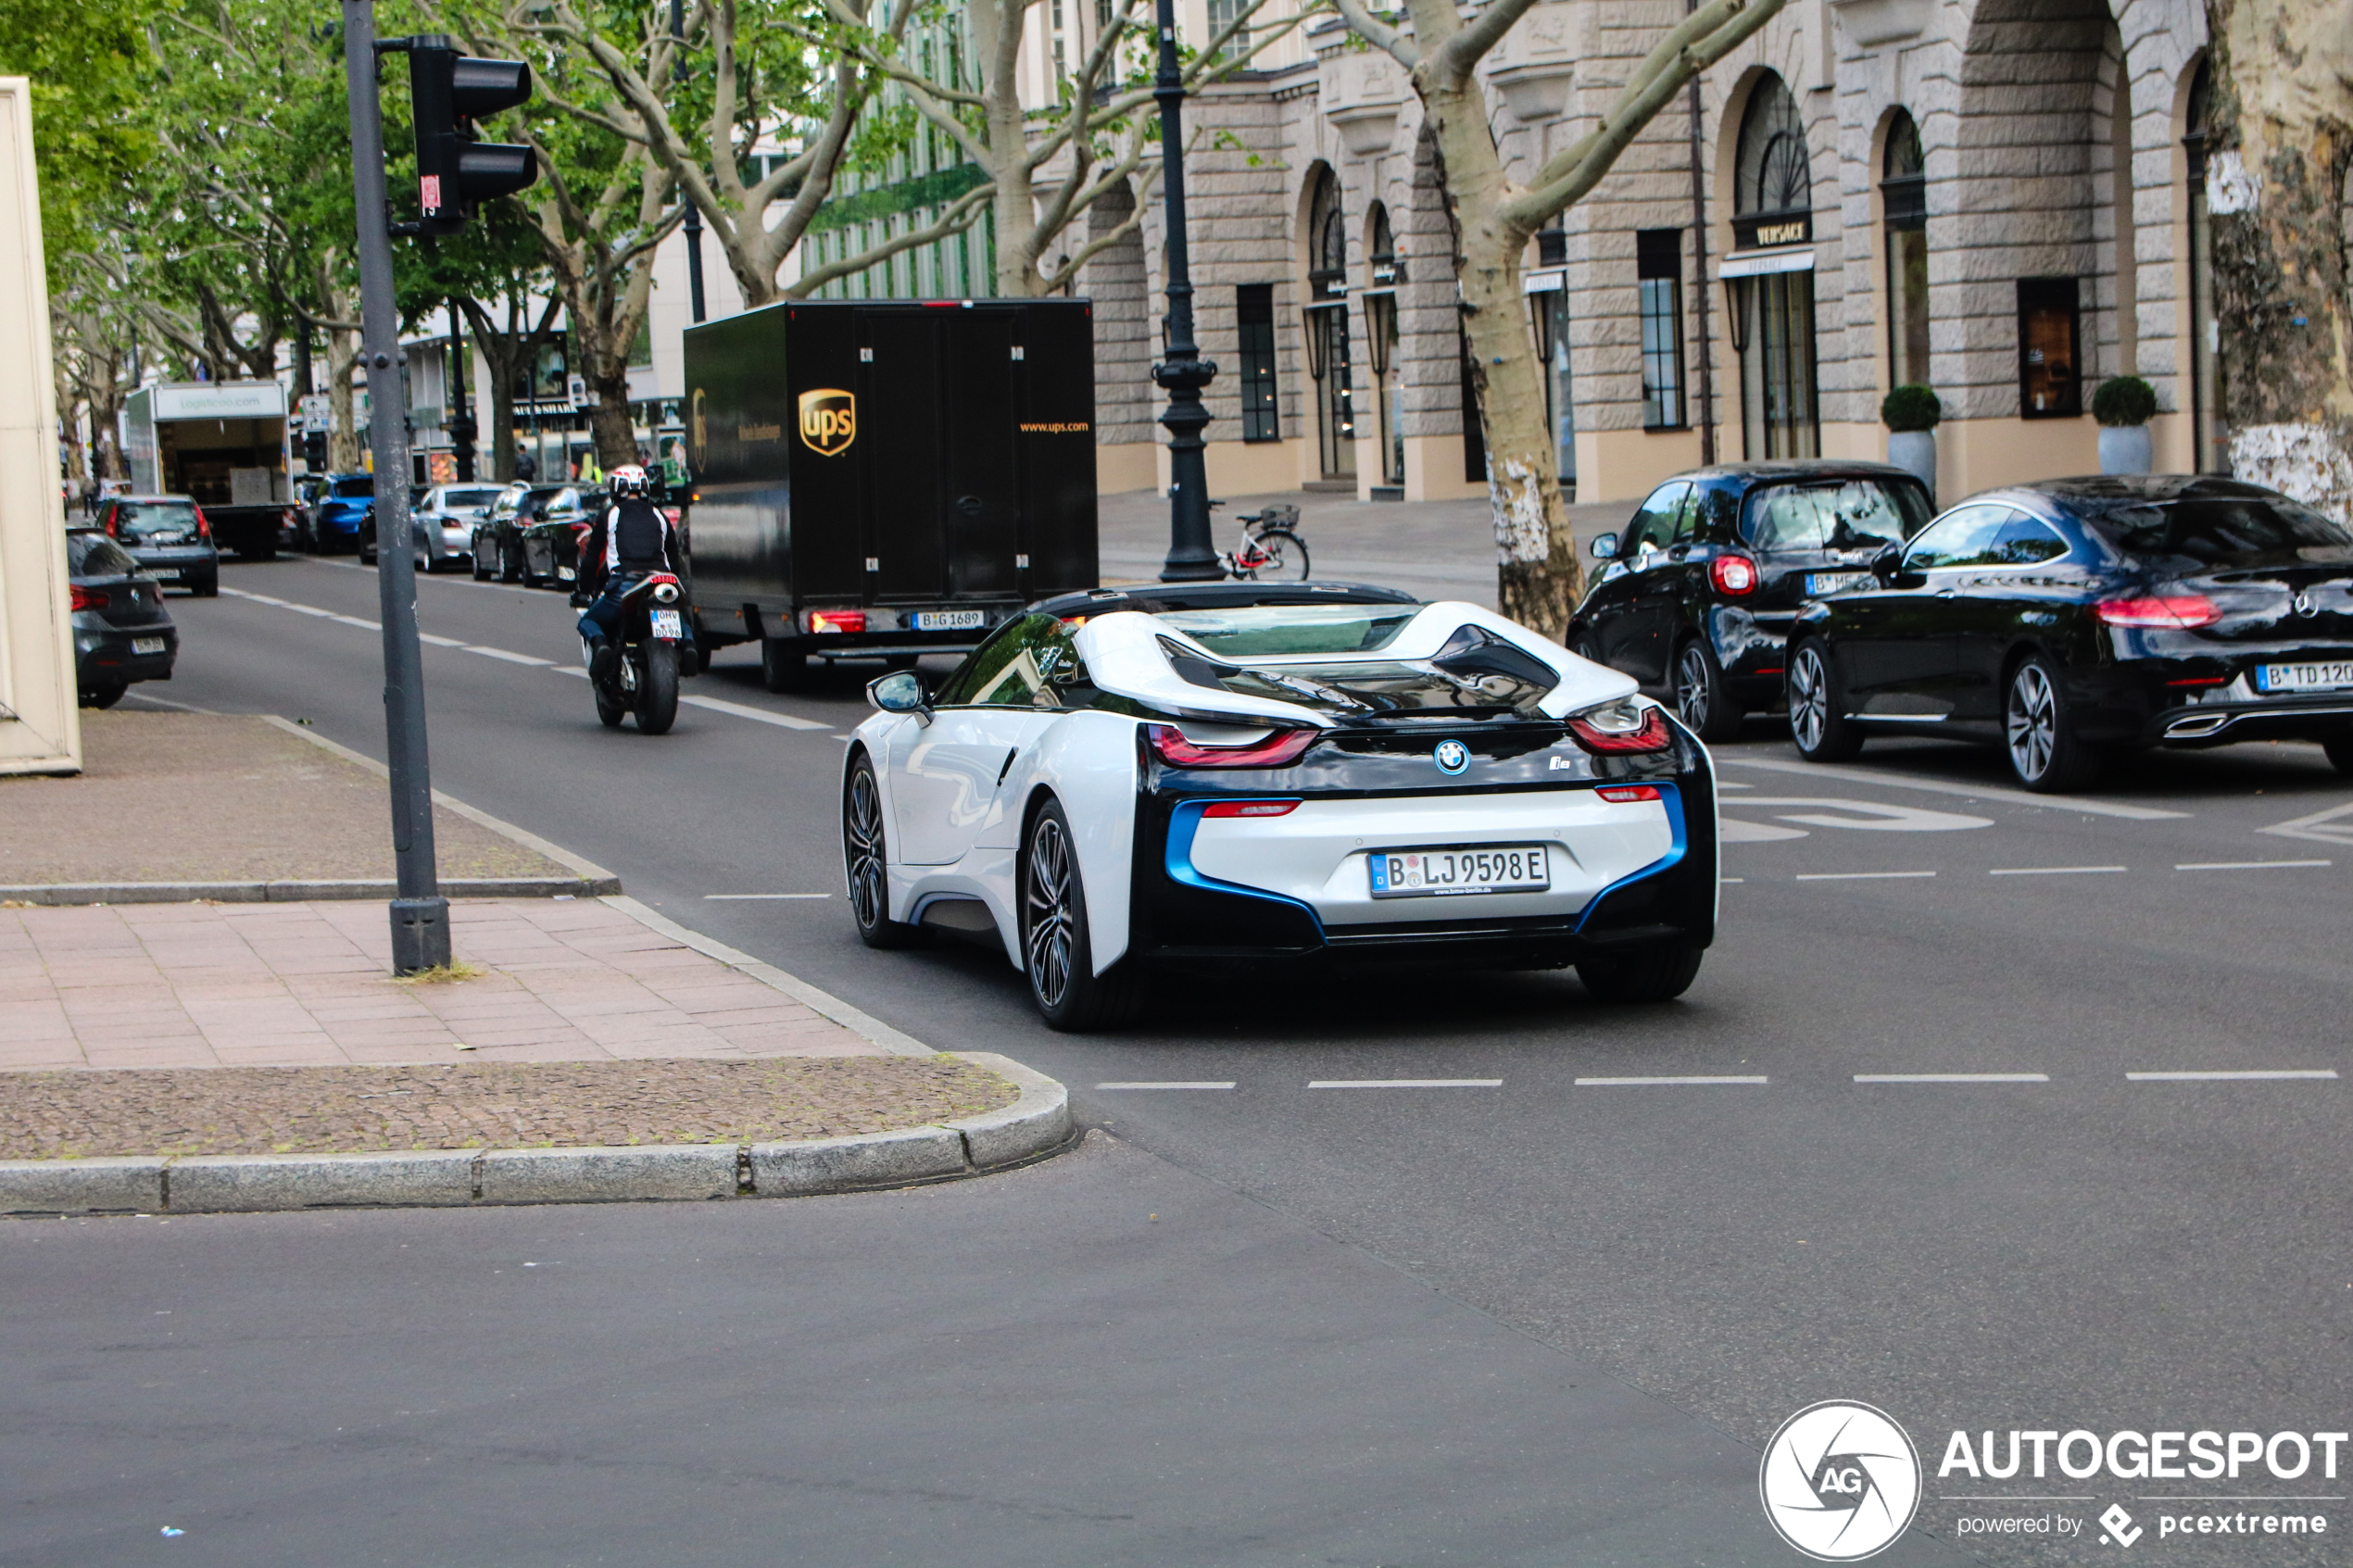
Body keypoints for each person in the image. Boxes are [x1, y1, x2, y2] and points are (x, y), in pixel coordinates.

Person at [573, 464, 693, 682]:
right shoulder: (661, 516)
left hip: (626, 584)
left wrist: (583, 589)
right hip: (661, 583)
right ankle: (688, 643)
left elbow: (591, 559)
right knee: (674, 613)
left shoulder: (609, 515)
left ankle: (601, 646)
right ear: (645, 487)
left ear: (615, 488)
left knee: (587, 622)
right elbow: (674, 561)